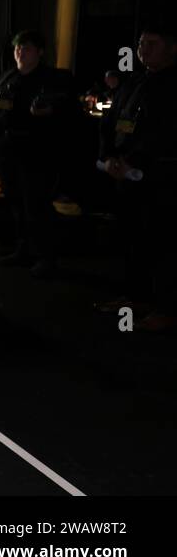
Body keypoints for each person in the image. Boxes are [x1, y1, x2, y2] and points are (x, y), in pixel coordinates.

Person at [96, 23, 177, 331]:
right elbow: (111, 120)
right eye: (141, 43)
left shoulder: (172, 86)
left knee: (163, 243)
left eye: (152, 43)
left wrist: (131, 159)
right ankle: (136, 296)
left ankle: (167, 307)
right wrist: (108, 156)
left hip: (161, 178)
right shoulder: (134, 82)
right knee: (132, 239)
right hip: (125, 175)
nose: (143, 49)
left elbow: (165, 133)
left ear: (171, 48)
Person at [0, 30, 75, 278]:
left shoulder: (53, 79)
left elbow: (67, 112)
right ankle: (24, 250)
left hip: (36, 152)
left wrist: (49, 112)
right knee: (17, 204)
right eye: (18, 48)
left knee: (37, 205)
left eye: (27, 48)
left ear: (40, 52)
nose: (21, 52)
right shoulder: (6, 79)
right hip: (7, 151)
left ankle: (46, 256)